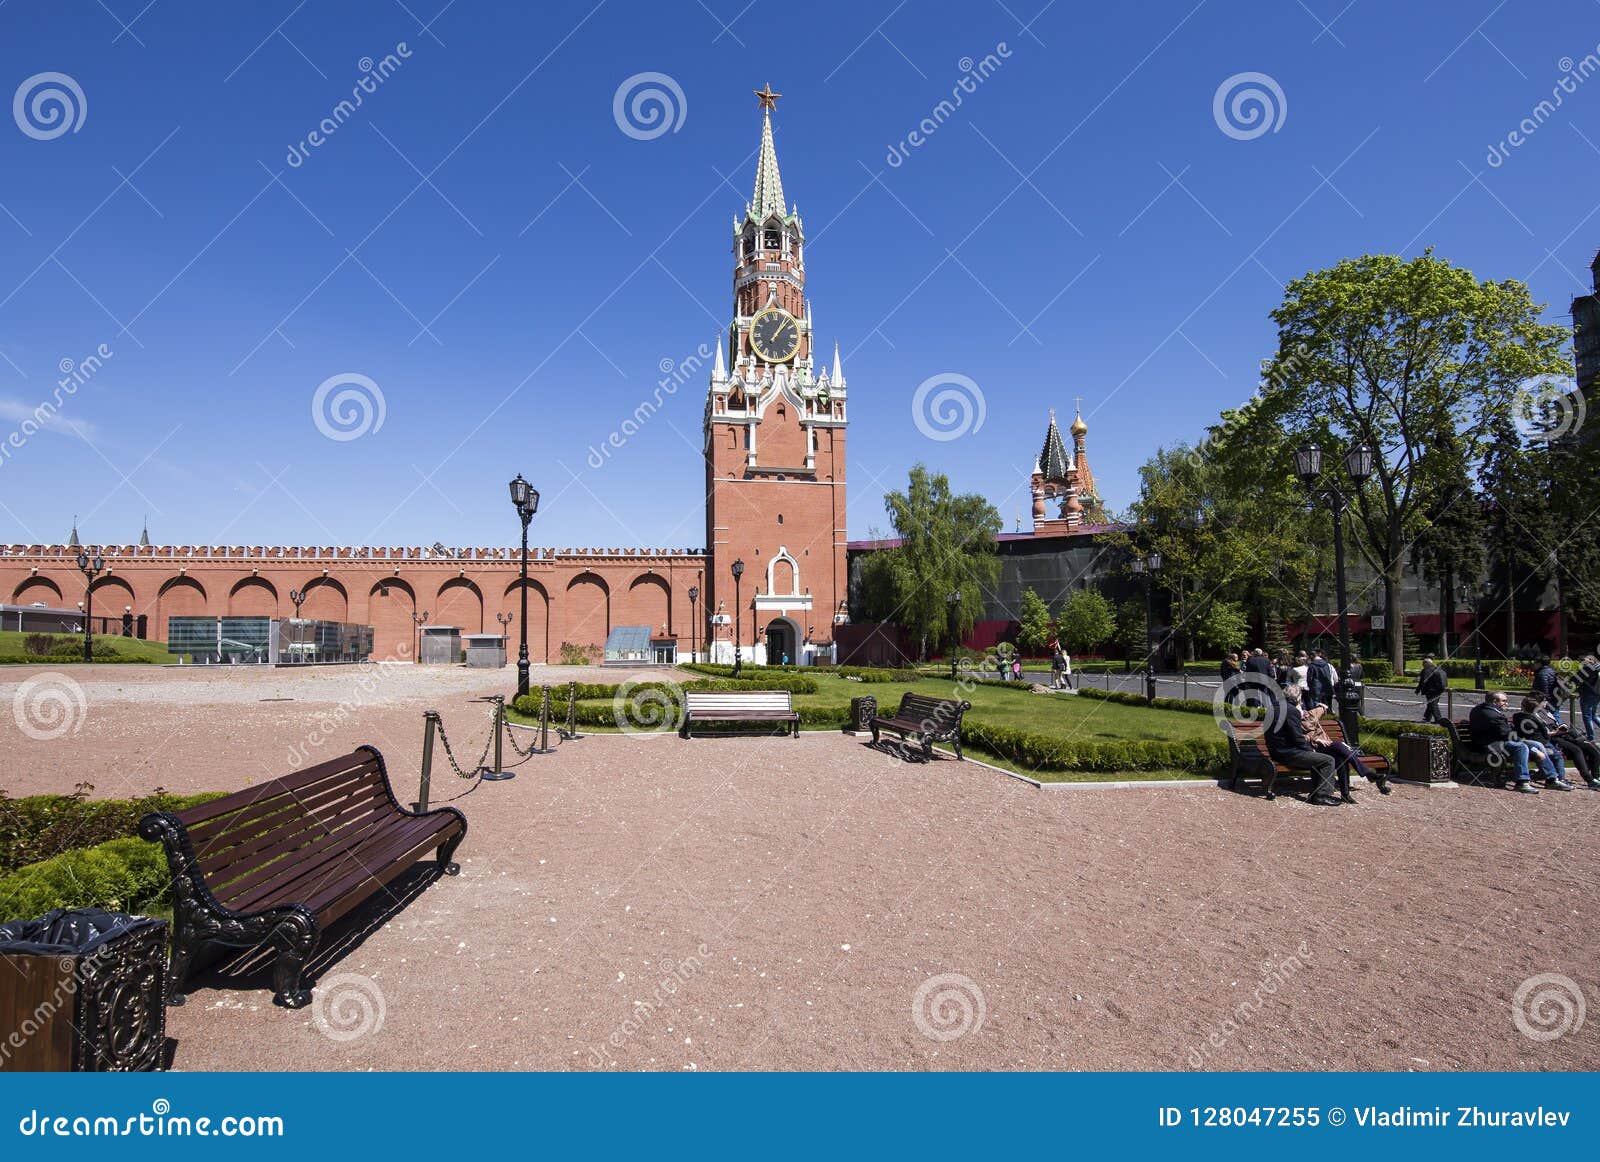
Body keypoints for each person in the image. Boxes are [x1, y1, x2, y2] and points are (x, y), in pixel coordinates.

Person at [1468, 690, 1566, 793]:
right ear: (1494, 702)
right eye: (1504, 701)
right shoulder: (1492, 715)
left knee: (1537, 744)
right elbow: (1509, 736)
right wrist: (1535, 751)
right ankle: (1522, 782)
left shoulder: (1480, 709)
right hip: (1489, 745)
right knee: (1521, 747)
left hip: (1494, 741)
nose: (1507, 703)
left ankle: (1552, 779)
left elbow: (1506, 734)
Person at [1264, 679, 1341, 806]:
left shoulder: (1273, 708)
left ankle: (1316, 792)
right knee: (1328, 760)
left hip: (1275, 751)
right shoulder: (1291, 711)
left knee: (1318, 759)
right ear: (1298, 697)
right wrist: (1309, 750)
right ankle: (1321, 795)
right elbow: (1297, 737)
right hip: (1289, 753)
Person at [1304, 702, 1389, 800]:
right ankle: (1367, 773)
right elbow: (1298, 737)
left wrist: (1320, 705)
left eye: (1302, 710)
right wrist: (1315, 739)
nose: (1303, 713)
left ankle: (1345, 794)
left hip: (1327, 746)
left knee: (1342, 758)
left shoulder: (1311, 714)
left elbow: (1324, 708)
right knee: (1339, 746)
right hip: (1313, 749)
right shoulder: (1293, 719)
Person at [1515, 695, 1599, 789]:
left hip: (1555, 737)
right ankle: (1585, 780)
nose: (1546, 702)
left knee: (1589, 746)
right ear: (1537, 704)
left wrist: (1558, 728)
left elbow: (1546, 728)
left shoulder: (1542, 714)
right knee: (1572, 751)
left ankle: (1595, 776)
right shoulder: (1528, 718)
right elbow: (1541, 734)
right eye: (1544, 701)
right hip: (1547, 740)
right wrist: (1556, 732)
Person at [1531, 655, 1563, 723]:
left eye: (1535, 662)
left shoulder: (1542, 673)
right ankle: (1560, 729)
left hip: (1547, 699)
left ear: (1539, 663)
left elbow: (1544, 688)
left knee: (1535, 714)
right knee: (1555, 715)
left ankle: (1560, 729)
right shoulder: (1552, 671)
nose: (1534, 664)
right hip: (1554, 697)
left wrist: (1544, 699)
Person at [1415, 656, 1447, 724]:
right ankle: (1427, 717)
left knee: (1433, 704)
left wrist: (1418, 690)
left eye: (1423, 663)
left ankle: (1438, 719)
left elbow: (1422, 681)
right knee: (1431, 704)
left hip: (1431, 690)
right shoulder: (1438, 669)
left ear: (1426, 663)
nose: (1422, 665)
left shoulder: (1426, 670)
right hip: (1439, 689)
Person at [1579, 654, 1600, 743]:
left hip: (1588, 694)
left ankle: (1590, 738)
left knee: (1587, 716)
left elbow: (1581, 681)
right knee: (1594, 715)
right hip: (1597, 694)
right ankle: (1590, 736)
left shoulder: (1588, 670)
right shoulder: (1598, 667)